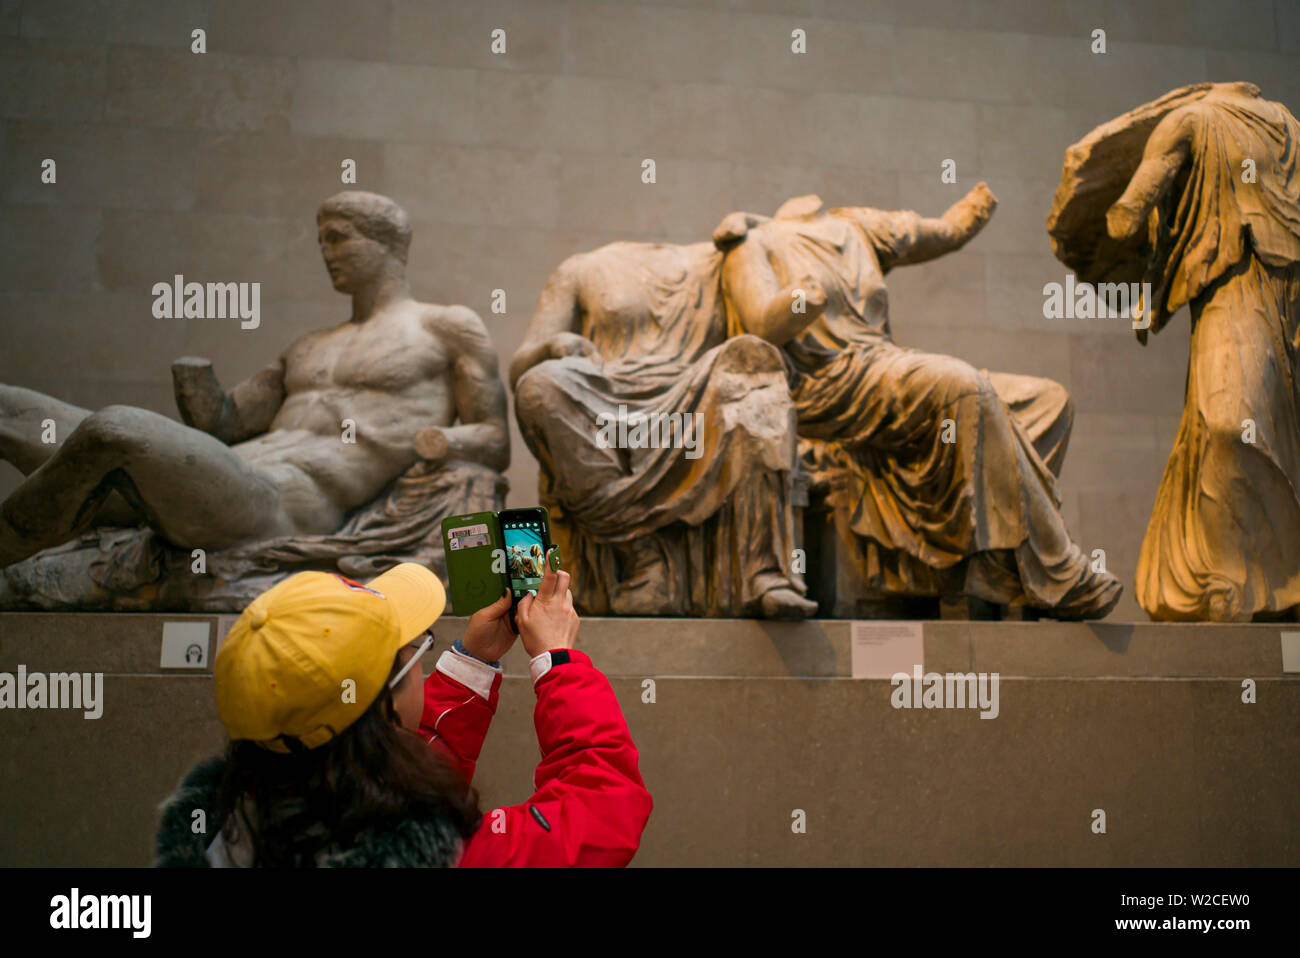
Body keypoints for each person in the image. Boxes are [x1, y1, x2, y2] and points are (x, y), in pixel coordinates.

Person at [154, 555, 652, 867]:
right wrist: (557, 661)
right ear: (388, 701)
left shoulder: (225, 833)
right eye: (416, 649)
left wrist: (472, 664)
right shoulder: (454, 855)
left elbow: (380, 766)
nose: (424, 659)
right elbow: (603, 813)